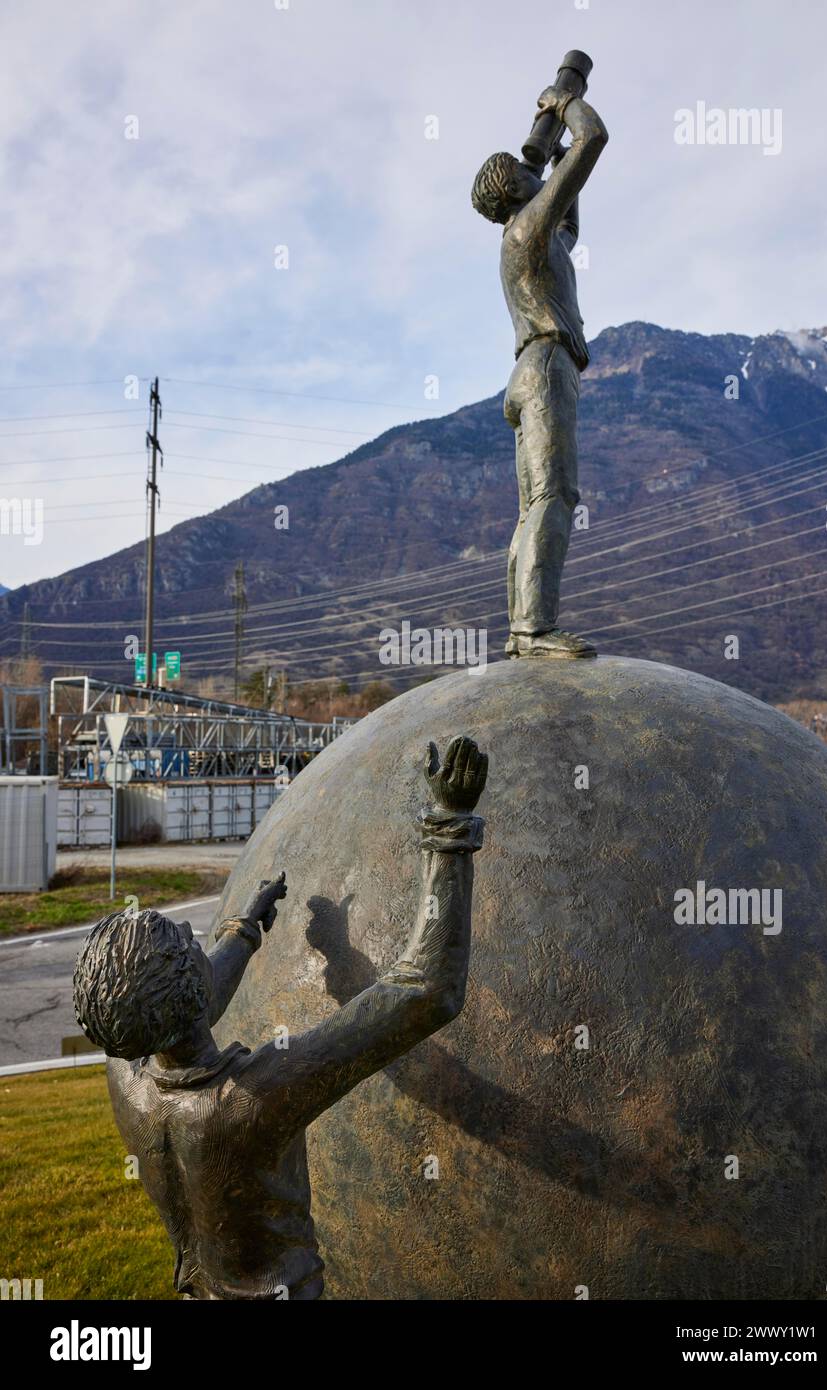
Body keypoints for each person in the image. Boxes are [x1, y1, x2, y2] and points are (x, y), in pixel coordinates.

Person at [72, 735, 488, 1300]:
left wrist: (243, 930)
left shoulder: (129, 1076)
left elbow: (185, 1007)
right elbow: (426, 991)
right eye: (191, 945)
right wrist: (450, 826)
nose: (199, 944)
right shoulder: (256, 1097)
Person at [472, 84, 609, 657]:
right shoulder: (526, 227)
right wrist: (563, 104)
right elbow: (594, 138)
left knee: (535, 504)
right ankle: (533, 628)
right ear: (517, 189)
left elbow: (570, 228)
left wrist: (551, 159)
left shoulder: (531, 235)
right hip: (547, 364)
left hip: (529, 371)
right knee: (556, 495)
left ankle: (520, 628)